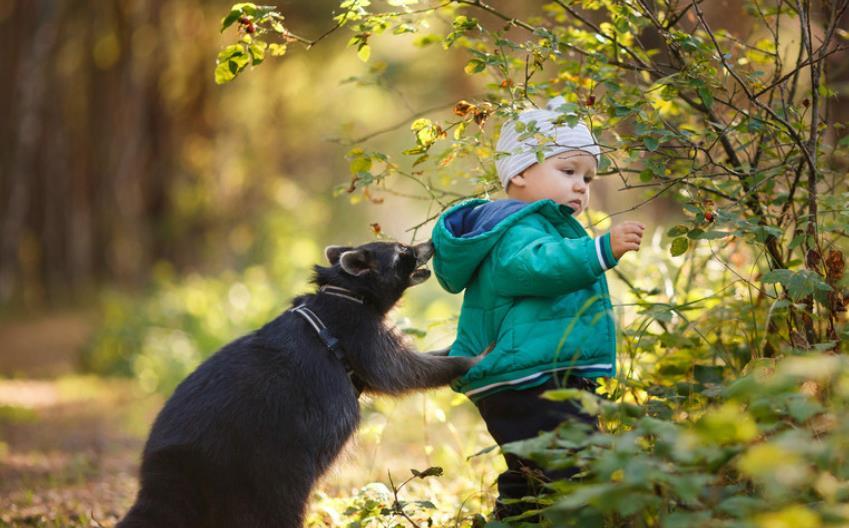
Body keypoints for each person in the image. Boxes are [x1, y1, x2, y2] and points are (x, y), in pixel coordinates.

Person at [431, 96, 644, 521]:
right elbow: (538, 267)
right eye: (567, 171)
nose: (581, 186)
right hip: (528, 380)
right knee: (572, 468)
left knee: (533, 478)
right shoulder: (516, 227)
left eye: (587, 176)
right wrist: (600, 250)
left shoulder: (534, 226)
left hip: (532, 376)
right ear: (521, 173)